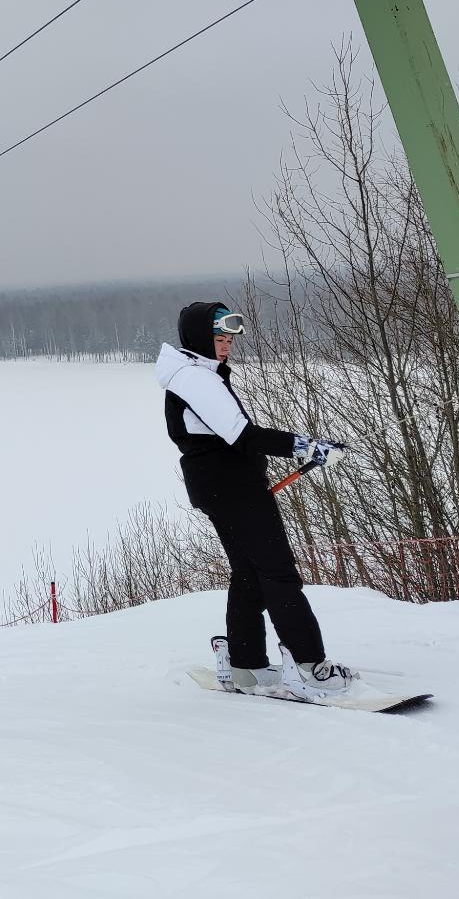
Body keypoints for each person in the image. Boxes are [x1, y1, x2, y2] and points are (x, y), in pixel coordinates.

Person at [160, 301, 354, 703]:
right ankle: (309, 665)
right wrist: (306, 446)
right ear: (199, 338)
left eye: (230, 338)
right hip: (235, 491)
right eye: (219, 337)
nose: (227, 344)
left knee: (249, 575)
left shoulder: (194, 375)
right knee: (279, 574)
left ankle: (247, 665)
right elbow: (244, 437)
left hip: (223, 489)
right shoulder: (195, 378)